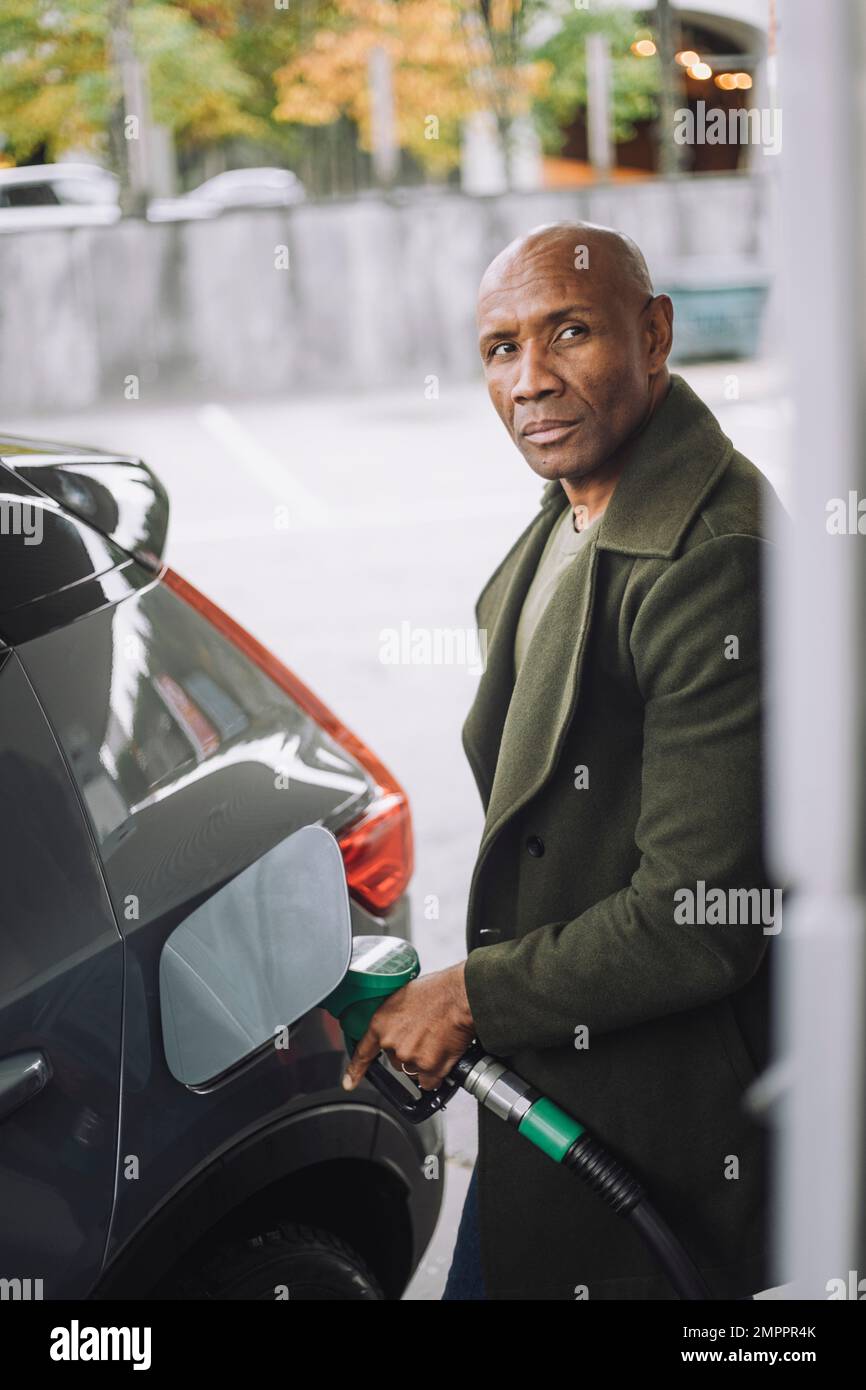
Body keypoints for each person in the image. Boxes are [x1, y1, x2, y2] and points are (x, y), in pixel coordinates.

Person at [343, 221, 783, 1300]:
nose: (528, 380)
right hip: (552, 1100)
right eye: (499, 348)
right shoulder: (576, 510)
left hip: (646, 1132)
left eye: (568, 333)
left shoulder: (712, 558)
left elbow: (699, 915)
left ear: (653, 333)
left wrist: (466, 997)